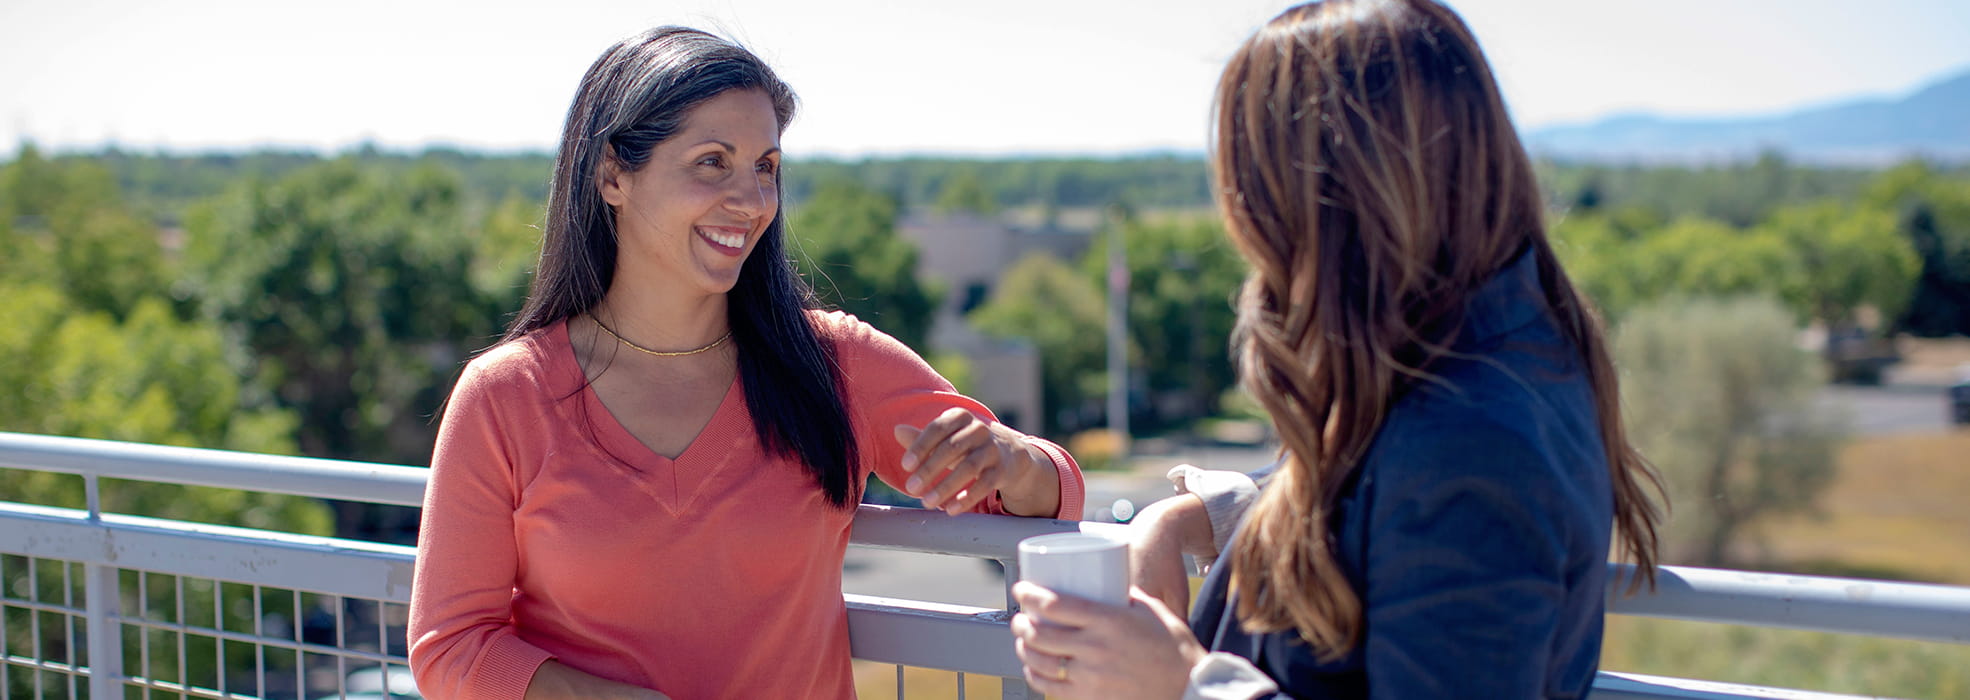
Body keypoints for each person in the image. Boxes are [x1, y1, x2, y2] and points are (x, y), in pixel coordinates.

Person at [1009, 1, 1665, 697]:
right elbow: (1380, 504)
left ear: (1319, 200)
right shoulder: (1496, 356)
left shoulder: (1471, 443)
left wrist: (1182, 686)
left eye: (1250, 184)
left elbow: (1420, 490)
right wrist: (1202, 517)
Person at [407, 27, 1085, 700]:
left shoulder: (835, 363)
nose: (754, 200)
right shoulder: (505, 396)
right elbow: (450, 643)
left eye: (766, 167)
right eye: (712, 162)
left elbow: (1047, 494)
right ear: (613, 174)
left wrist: (1011, 462)